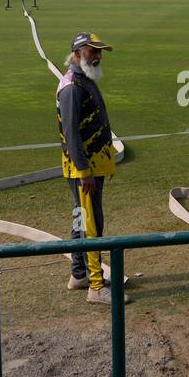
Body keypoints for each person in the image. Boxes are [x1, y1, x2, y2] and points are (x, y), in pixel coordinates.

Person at [58, 31, 130, 305]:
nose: (98, 57)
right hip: (83, 170)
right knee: (91, 224)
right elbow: (71, 133)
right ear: (77, 54)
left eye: (99, 52)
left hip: (87, 166)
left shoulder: (83, 80)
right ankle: (96, 286)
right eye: (92, 52)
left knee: (80, 219)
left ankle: (79, 274)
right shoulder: (73, 88)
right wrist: (85, 170)